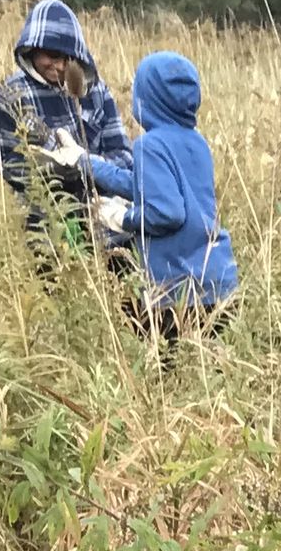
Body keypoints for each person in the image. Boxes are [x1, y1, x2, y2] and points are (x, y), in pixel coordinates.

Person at [76, 50, 238, 338]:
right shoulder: (195, 142)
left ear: (147, 98)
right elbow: (145, 185)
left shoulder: (148, 145)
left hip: (179, 290)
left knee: (167, 371)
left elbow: (167, 212)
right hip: (217, 282)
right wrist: (88, 163)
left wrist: (121, 217)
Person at [0, 0, 132, 255]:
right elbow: (8, 165)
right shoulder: (10, 95)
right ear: (33, 49)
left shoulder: (96, 91)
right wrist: (55, 172)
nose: (60, 66)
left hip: (108, 228)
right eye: (52, 56)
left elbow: (123, 156)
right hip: (48, 230)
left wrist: (86, 164)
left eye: (69, 58)